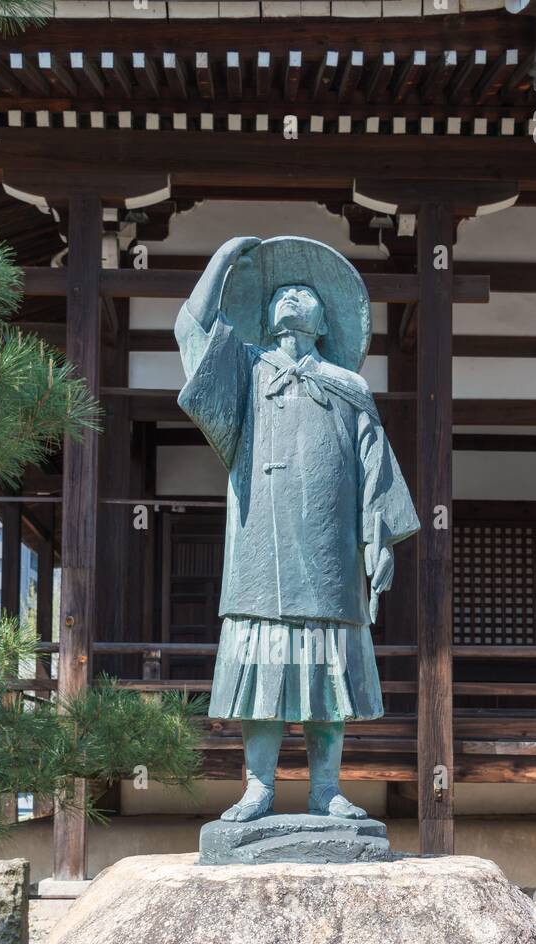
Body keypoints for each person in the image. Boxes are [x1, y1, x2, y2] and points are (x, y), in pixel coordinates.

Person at [175, 234, 419, 823]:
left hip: (329, 553)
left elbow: (373, 471)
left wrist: (377, 541)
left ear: (323, 318)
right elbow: (190, 331)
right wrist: (219, 259)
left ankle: (326, 789)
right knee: (263, 673)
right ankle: (257, 788)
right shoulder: (247, 371)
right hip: (260, 544)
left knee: (327, 678)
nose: (290, 298)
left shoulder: (351, 388)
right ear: (266, 315)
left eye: (303, 293)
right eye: (281, 293)